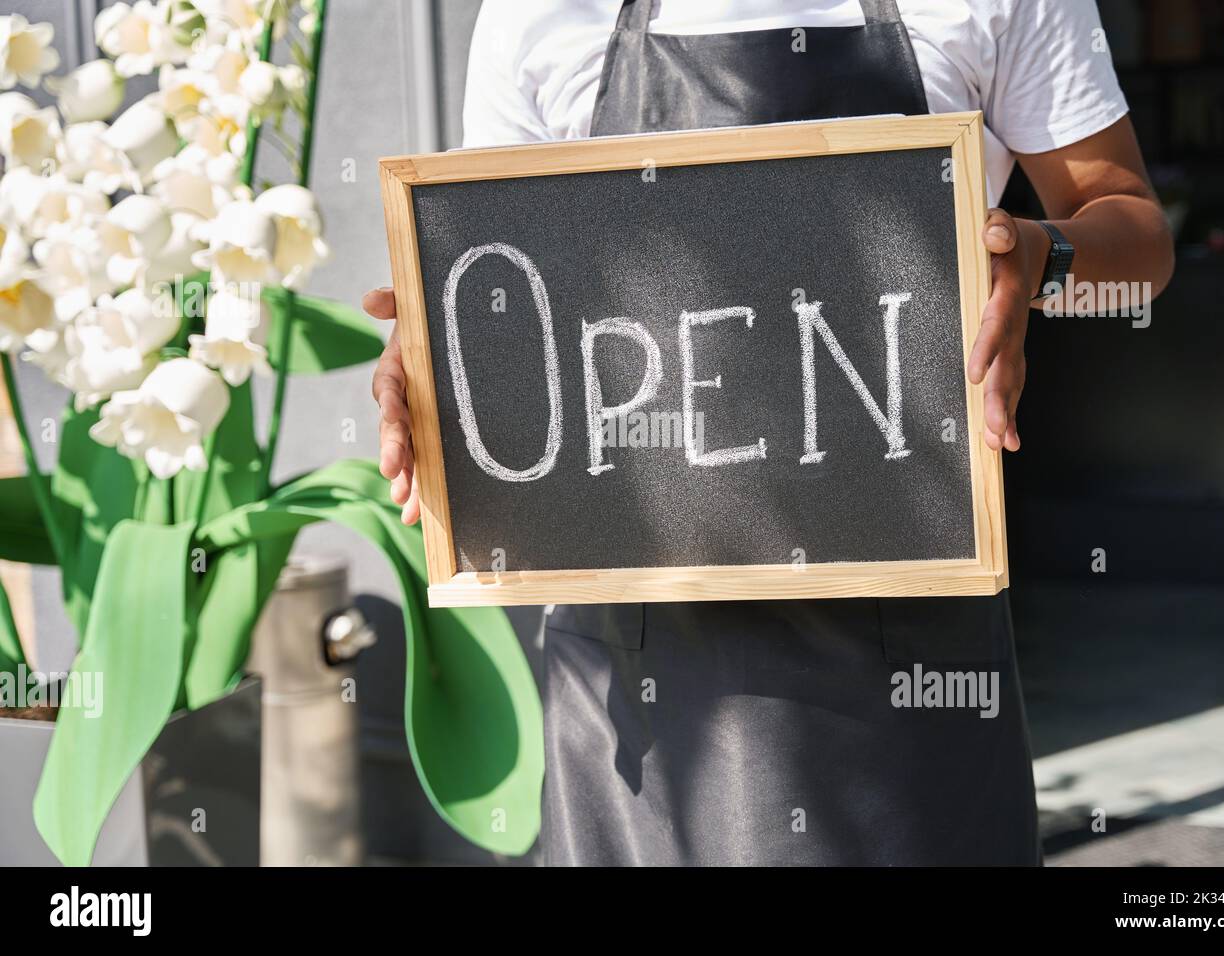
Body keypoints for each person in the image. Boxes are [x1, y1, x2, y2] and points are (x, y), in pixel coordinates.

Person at [363, 0, 1174, 865]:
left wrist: (1045, 257)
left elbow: (1138, 240)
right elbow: (495, 279)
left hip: (912, 683)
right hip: (627, 696)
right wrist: (426, 354)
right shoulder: (539, 12)